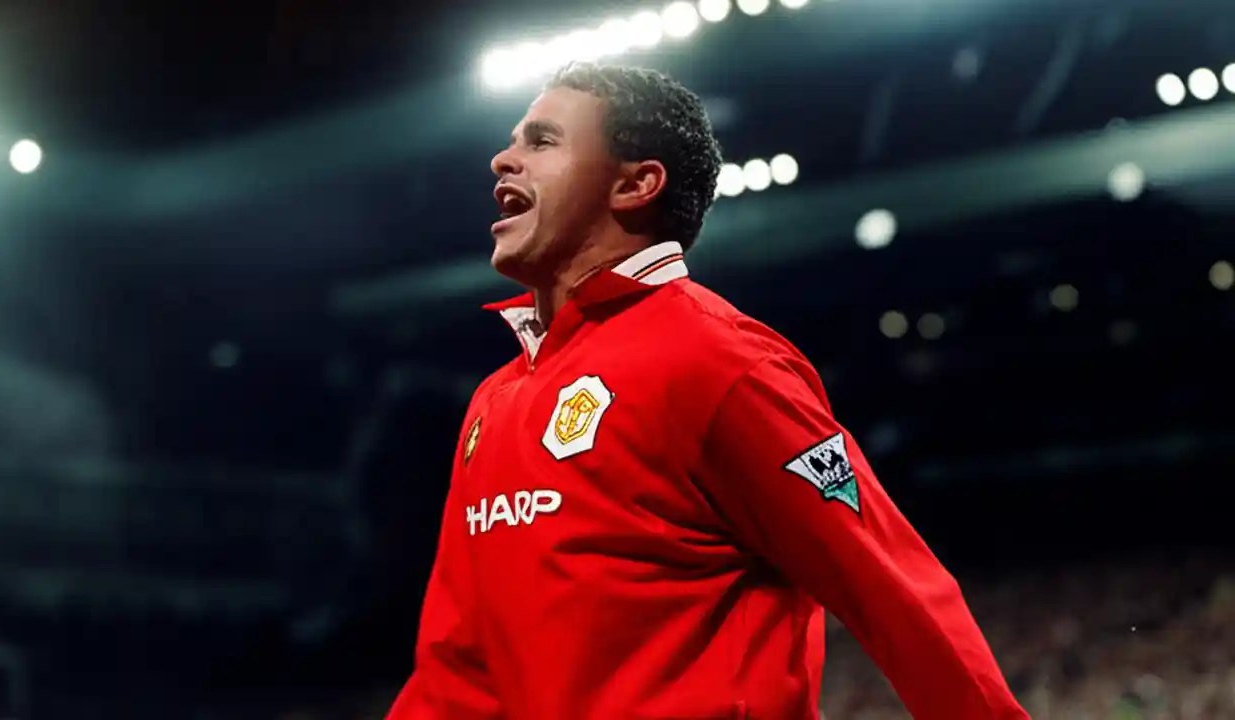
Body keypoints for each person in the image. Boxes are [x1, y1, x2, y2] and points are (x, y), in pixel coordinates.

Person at [386, 62, 1028, 719]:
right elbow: (455, 671)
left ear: (635, 185)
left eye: (542, 141)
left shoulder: (717, 360)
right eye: (513, 141)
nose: (502, 160)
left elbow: (892, 586)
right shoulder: (493, 404)